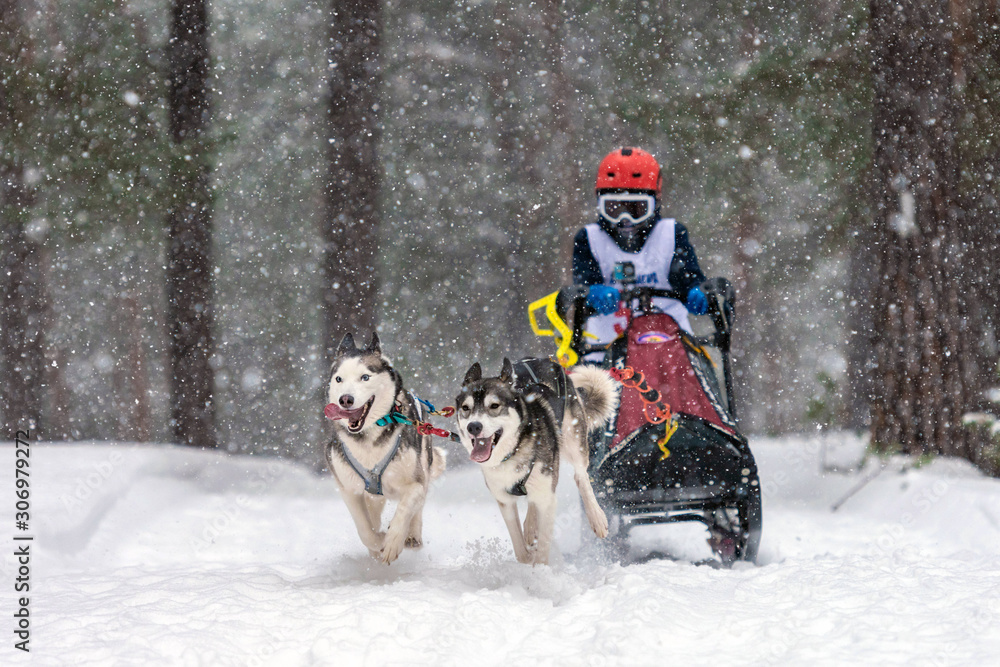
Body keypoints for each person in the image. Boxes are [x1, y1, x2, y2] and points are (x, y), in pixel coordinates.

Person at [572, 147, 707, 359]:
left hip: (672, 354)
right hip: (605, 354)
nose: (625, 221)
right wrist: (591, 292)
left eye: (637, 210)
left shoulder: (671, 235)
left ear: (656, 202)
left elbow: (687, 278)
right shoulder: (589, 239)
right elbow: (583, 284)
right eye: (614, 209)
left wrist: (696, 292)